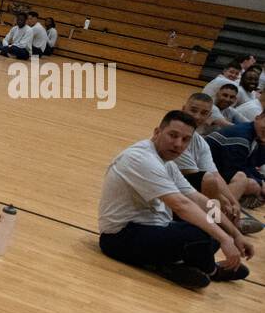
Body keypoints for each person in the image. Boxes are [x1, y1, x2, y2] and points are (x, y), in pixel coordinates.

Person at [98, 110, 253, 288]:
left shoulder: (168, 162)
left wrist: (234, 234)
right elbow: (181, 205)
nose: (178, 144)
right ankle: (212, 271)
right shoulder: (140, 158)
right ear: (157, 132)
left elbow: (198, 199)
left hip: (153, 228)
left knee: (213, 223)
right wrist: (225, 239)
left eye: (185, 139)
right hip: (119, 238)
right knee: (201, 234)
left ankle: (172, 265)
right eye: (173, 135)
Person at [175, 92, 262, 234]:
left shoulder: (199, 141)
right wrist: (222, 200)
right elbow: (196, 176)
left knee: (229, 181)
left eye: (203, 113)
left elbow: (215, 174)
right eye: (193, 110)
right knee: (209, 182)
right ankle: (221, 223)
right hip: (170, 188)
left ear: (208, 117)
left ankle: (221, 221)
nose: (197, 116)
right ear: (183, 109)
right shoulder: (177, 137)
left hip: (190, 185)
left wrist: (233, 202)